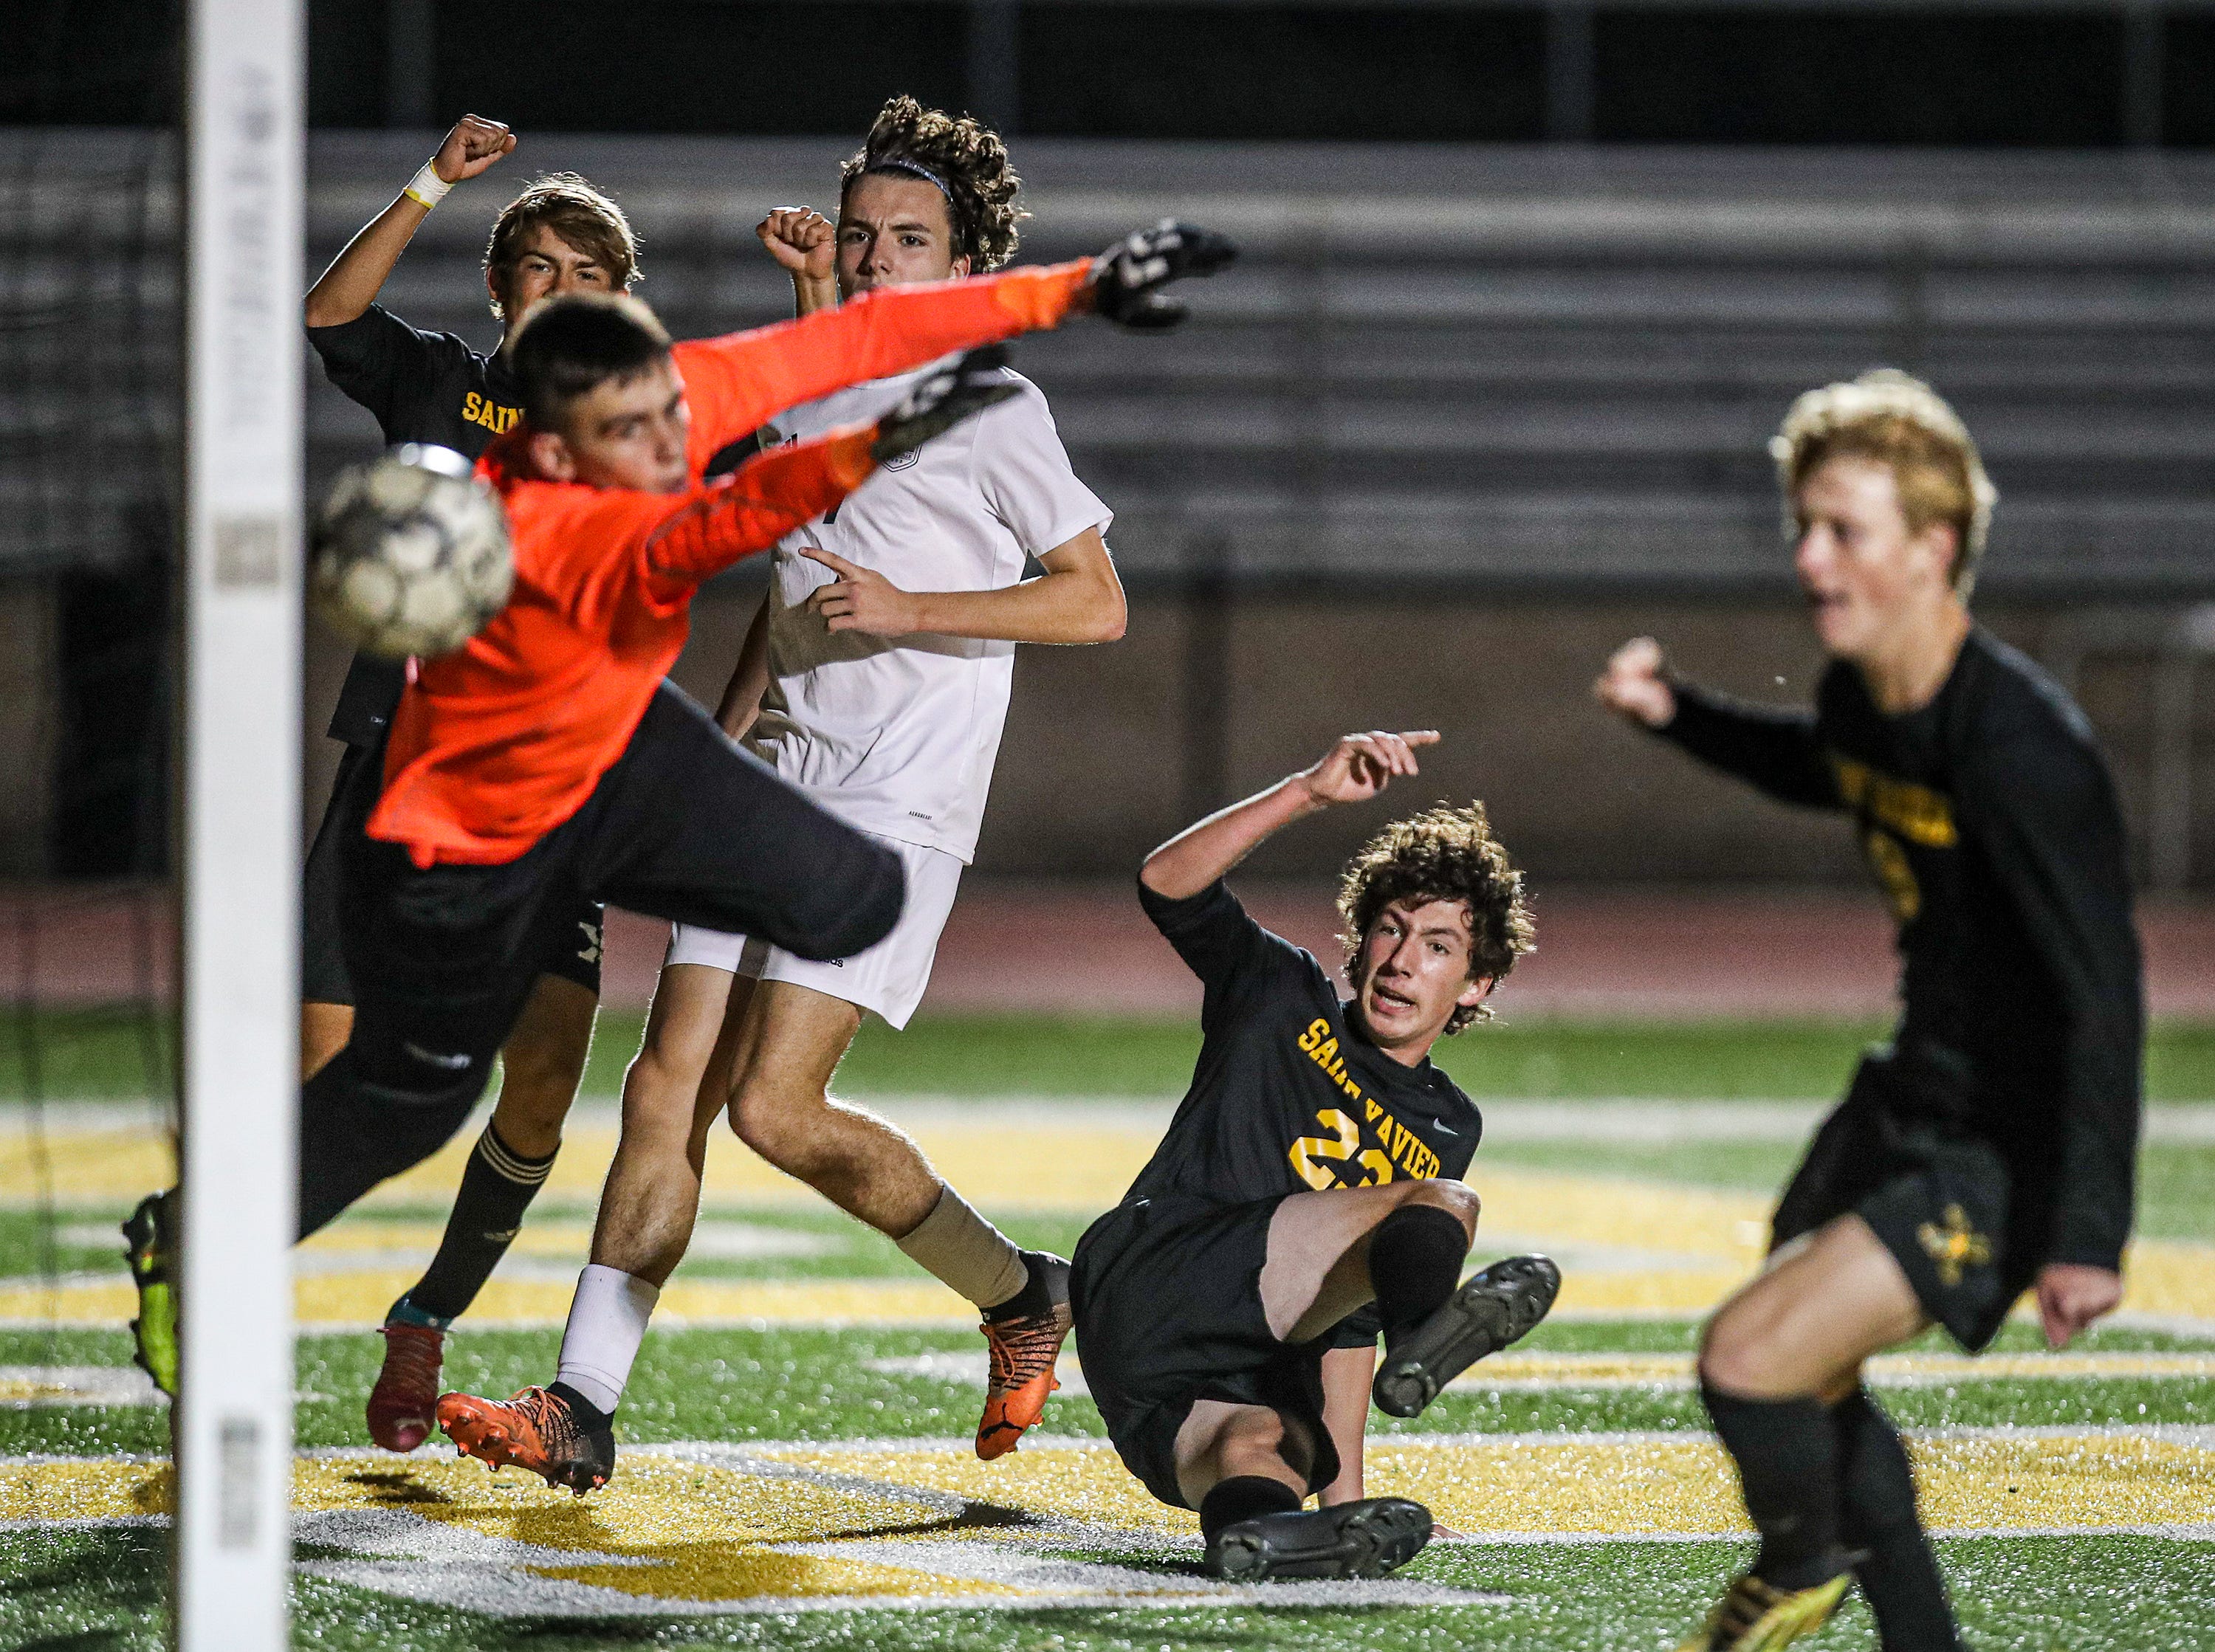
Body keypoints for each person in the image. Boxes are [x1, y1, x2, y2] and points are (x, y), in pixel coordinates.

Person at [349, 220, 1224, 1496]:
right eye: (860, 234)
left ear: (964, 260)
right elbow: (789, 588)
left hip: (896, 801)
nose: (875, 256)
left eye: (906, 241)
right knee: (665, 1086)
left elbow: (1097, 599)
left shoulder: (998, 404)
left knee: (774, 1109)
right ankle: (582, 1403)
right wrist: (722, 744)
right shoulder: (813, 394)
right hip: (777, 780)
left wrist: (912, 607)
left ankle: (1025, 1289)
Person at [1593, 370, 2143, 1652]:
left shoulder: (2022, 749)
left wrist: (2089, 1233)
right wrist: (1680, 714)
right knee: (1814, 1374)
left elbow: (2104, 999)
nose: (1810, 557)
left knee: (1749, 1354)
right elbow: (1821, 764)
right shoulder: (1863, 695)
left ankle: (1801, 1564)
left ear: (1933, 548)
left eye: (1844, 529)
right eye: (1805, 526)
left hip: (2002, 1145)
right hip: (1908, 1098)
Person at [120, 117, 639, 1439]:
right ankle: (206, 1266)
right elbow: (329, 311)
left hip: (544, 801)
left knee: (540, 1077)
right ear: (501, 285)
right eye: (538, 266)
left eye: (589, 272)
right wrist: (431, 184)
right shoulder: (441, 385)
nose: (560, 287)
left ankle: (426, 1315)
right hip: (401, 774)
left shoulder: (640, 436)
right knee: (327, 1067)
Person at [1071, 729, 1561, 1581]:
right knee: (1443, 1204)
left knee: (1266, 1448)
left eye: (1438, 946)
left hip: (1164, 1366)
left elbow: (1346, 1326)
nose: (1403, 961)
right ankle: (1431, 1332)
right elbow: (1166, 883)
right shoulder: (1278, 993)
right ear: (1360, 939)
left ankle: (1262, 1542)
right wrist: (1307, 791)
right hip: (1162, 1269)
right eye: (1390, 931)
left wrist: (1348, 1507)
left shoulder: (1450, 1122)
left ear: (1476, 986)